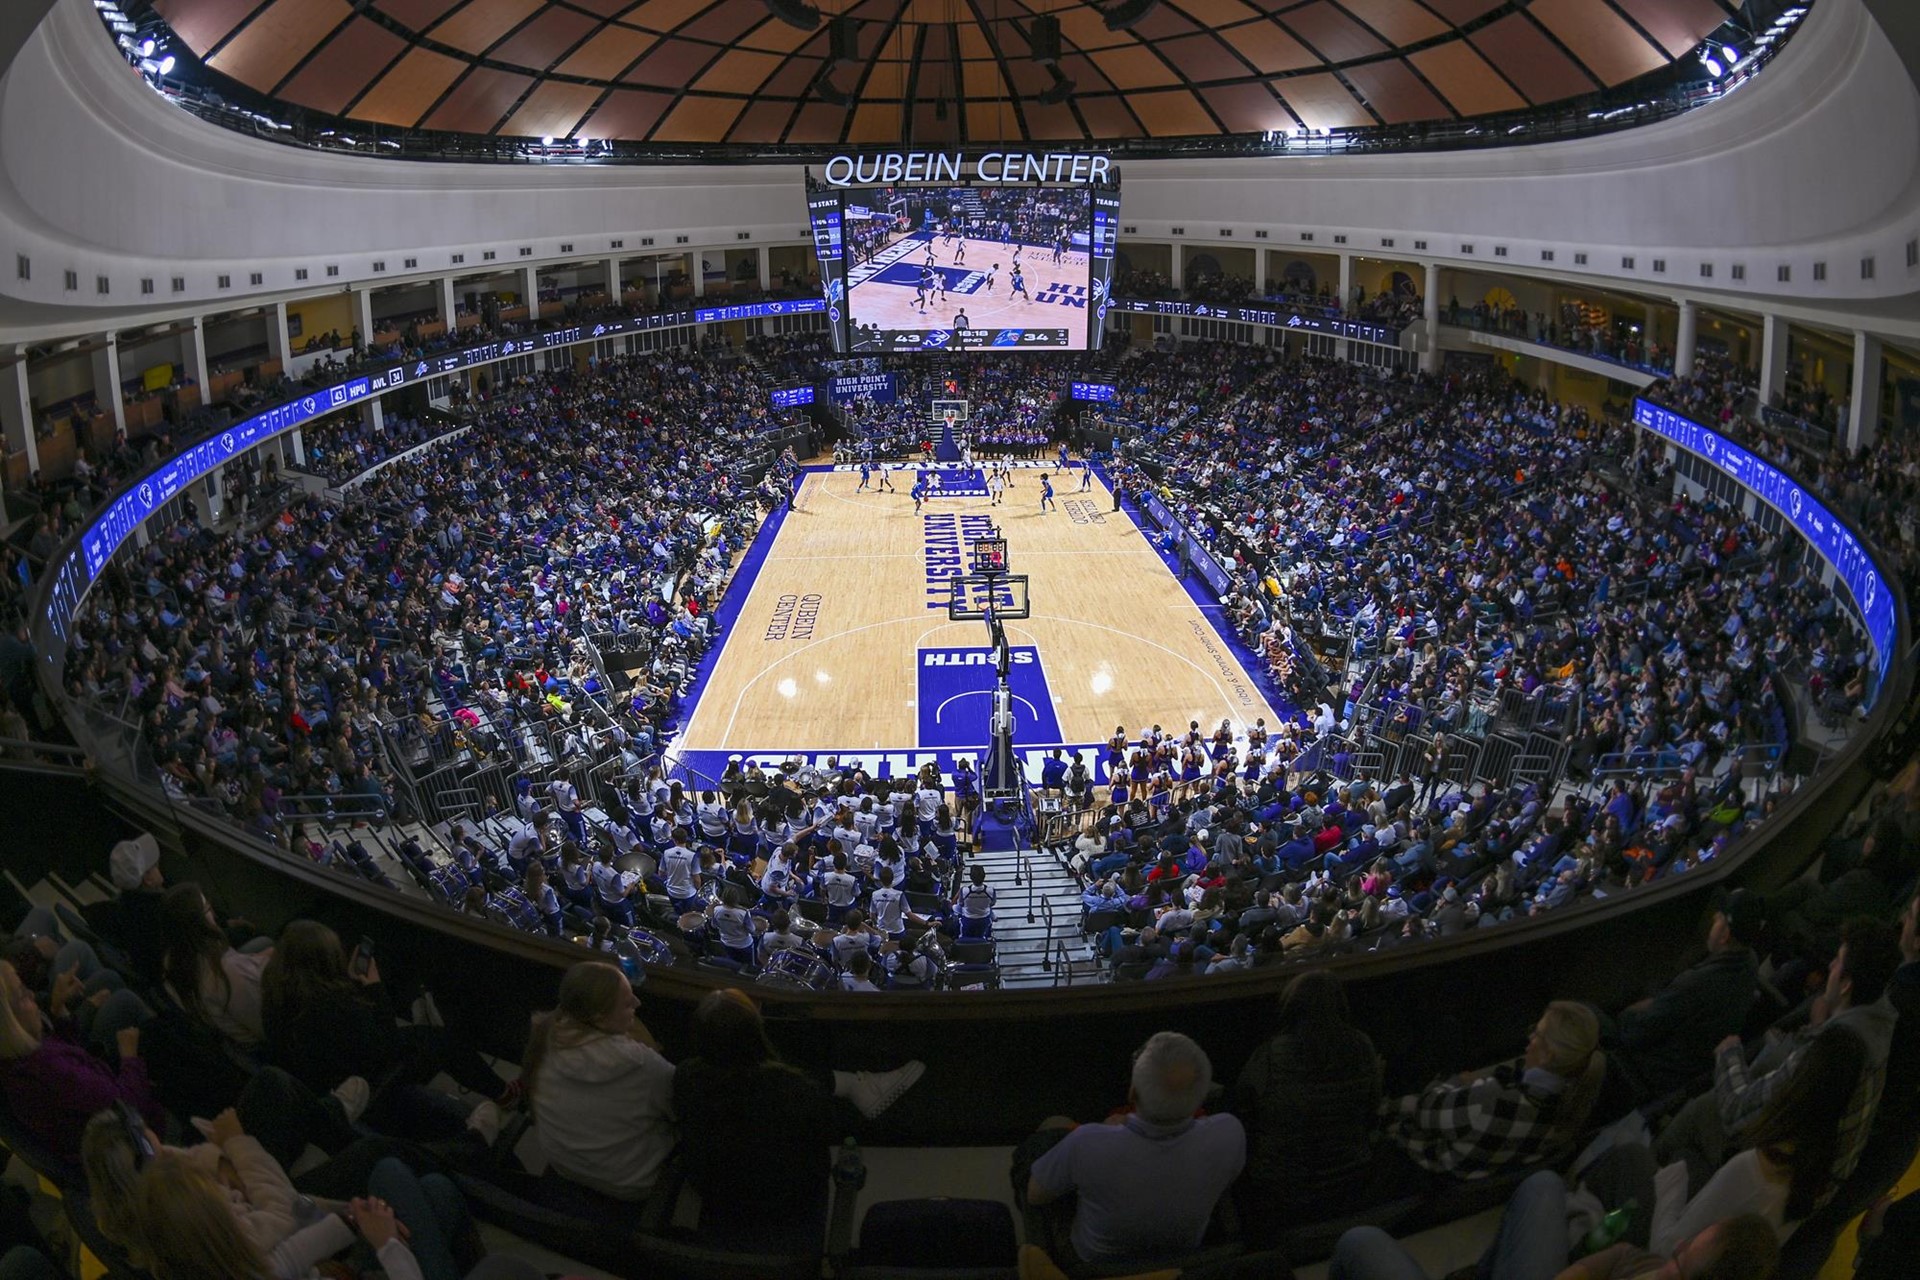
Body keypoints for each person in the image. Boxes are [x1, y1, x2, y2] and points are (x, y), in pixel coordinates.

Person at [1655, 916, 1900, 1194]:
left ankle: (1645, 1178)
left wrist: (1729, 1054)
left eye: (1837, 962)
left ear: (1846, 985)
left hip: (1777, 1178)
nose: (1831, 965)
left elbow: (1736, 1111)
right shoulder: (1878, 1026)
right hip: (1812, 1174)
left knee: (1704, 1107)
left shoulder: (1829, 1052)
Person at [672, 990, 917, 1248]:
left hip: (721, 1215)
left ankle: (853, 1085)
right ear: (757, 1032)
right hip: (792, 1220)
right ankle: (855, 1085)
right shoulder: (795, 1091)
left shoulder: (686, 1077)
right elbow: (823, 1135)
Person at [260, 922, 514, 1138]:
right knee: (441, 1041)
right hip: (369, 1082)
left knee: (431, 1038)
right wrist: (373, 986)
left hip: (329, 1076)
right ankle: (504, 1094)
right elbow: (387, 1044)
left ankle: (501, 1092)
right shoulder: (332, 1005)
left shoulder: (276, 994)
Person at [1018, 1031, 1245, 1265]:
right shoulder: (1230, 1131)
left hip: (1097, 1265)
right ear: (1201, 1096)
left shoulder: (1087, 1141)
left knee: (1050, 1130)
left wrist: (1103, 1132)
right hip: (1184, 1258)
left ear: (1132, 1092)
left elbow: (1035, 1195)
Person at [1328, 1171, 1781, 1280]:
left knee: (1359, 1242)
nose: (1669, 1256)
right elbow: (1585, 1269)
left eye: (1680, 1268)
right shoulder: (1642, 1262)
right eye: (1683, 1246)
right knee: (1544, 1184)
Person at [1383, 1000, 1606, 1179]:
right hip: (1481, 1160)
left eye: (1537, 1033)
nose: (1530, 1038)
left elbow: (1425, 1110)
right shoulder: (1571, 1102)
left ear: (1548, 1055)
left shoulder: (1490, 1100)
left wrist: (1459, 1081)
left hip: (1421, 1158)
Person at [1231, 971, 1382, 1231]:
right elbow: (1371, 1112)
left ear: (1291, 1007)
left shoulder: (1268, 1057)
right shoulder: (1362, 1046)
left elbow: (1244, 1115)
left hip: (1283, 1193)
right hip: (1353, 1181)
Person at [522, 962, 675, 1202]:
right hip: (631, 1185)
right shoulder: (642, 1063)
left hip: (565, 1167)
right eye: (627, 1003)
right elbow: (679, 1109)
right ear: (599, 1018)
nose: (638, 1003)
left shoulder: (545, 1036)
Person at [0, 958, 160, 1162]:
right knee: (131, 1007)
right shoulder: (50, 1068)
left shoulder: (17, 1060)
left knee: (115, 990)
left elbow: (66, 1053)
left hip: (104, 1113)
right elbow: (128, 1105)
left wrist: (59, 1011)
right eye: (23, 994)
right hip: (136, 1140)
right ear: (10, 1023)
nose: (32, 994)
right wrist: (130, 1057)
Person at [1612, 889, 1763, 1099]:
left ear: (1725, 935)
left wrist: (1625, 1013)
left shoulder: (1696, 983)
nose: (1713, 918)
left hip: (1652, 1073)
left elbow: (1635, 1035)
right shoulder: (1750, 961)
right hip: (1689, 1069)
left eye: (1719, 917)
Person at [158, 882, 271, 1049]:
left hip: (225, 1031)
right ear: (197, 922)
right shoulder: (227, 972)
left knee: (264, 945)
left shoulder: (171, 959)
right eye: (207, 909)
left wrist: (254, 960)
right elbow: (268, 1026)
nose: (213, 913)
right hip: (256, 1045)